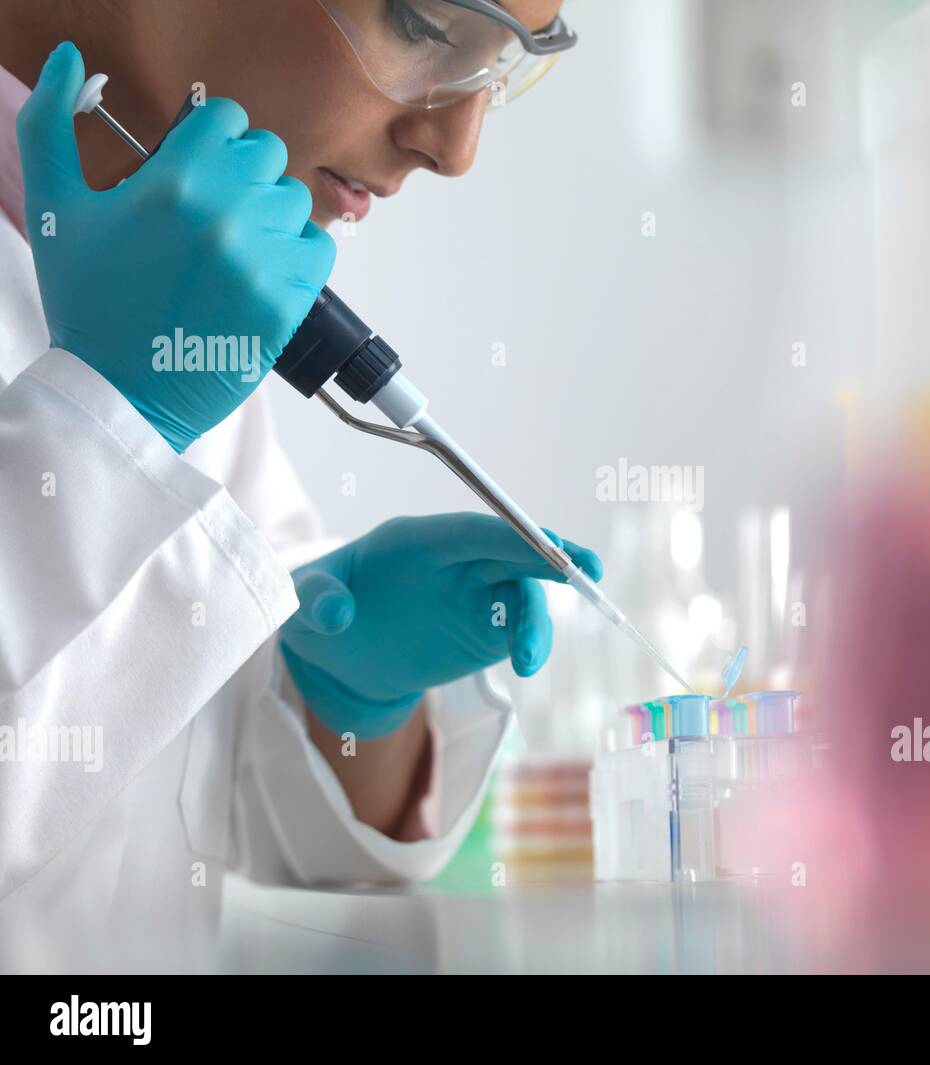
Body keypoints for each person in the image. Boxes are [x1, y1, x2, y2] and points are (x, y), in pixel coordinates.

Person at [0, 0, 587, 972]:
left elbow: (192, 797)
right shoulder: (149, 333)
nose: (455, 146)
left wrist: (343, 705)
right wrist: (105, 414)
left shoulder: (169, 283)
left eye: (507, 64)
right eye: (428, 27)